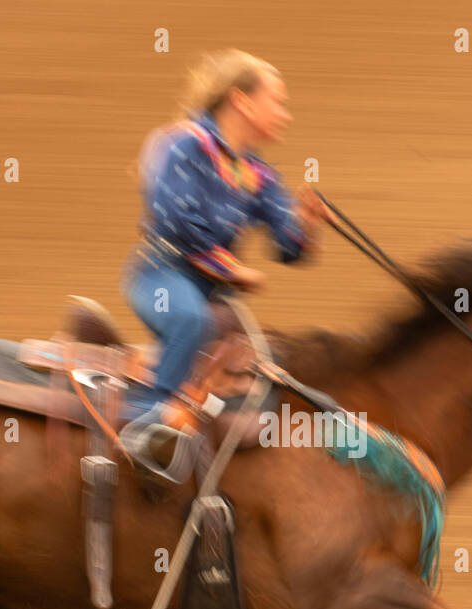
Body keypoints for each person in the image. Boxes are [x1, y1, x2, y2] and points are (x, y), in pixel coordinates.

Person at [120, 49, 327, 481]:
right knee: (189, 321)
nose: (284, 115)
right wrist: (230, 269)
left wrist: (306, 224)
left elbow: (288, 245)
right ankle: (145, 425)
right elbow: (174, 219)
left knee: (261, 355)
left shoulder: (258, 174)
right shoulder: (182, 144)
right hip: (160, 274)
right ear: (242, 102)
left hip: (214, 292)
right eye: (277, 101)